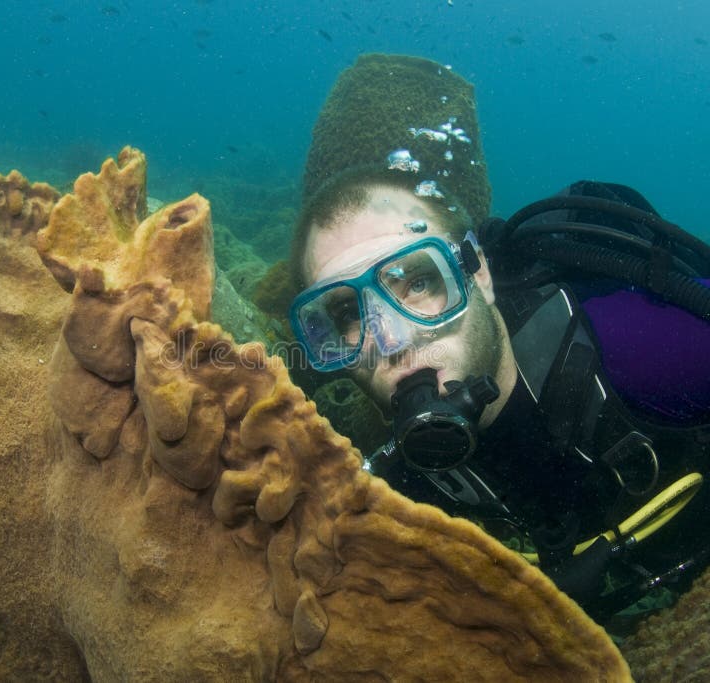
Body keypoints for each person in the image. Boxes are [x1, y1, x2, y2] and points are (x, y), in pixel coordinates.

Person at [287, 53, 710, 629]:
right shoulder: (396, 484)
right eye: (345, 314)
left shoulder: (642, 347)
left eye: (417, 281)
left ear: (477, 274)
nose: (393, 340)